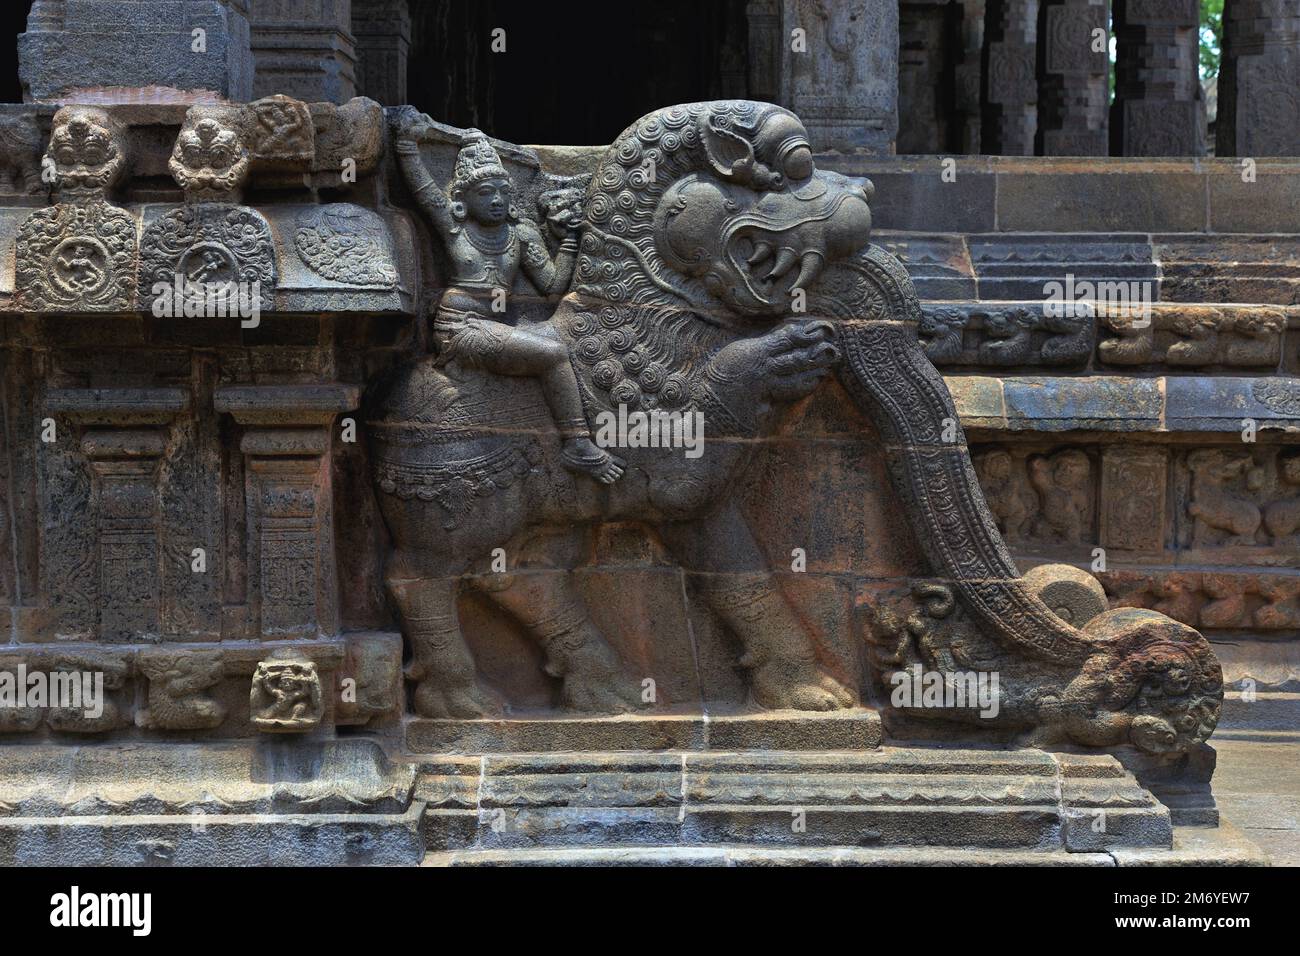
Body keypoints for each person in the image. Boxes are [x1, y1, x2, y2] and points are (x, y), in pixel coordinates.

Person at [395, 121, 624, 484]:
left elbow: (551, 286)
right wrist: (409, 141)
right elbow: (422, 188)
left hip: (496, 324)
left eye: (503, 191)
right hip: (460, 327)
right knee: (553, 354)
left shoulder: (521, 234)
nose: (497, 200)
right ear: (462, 199)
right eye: (486, 193)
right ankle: (577, 444)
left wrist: (567, 242)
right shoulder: (455, 229)